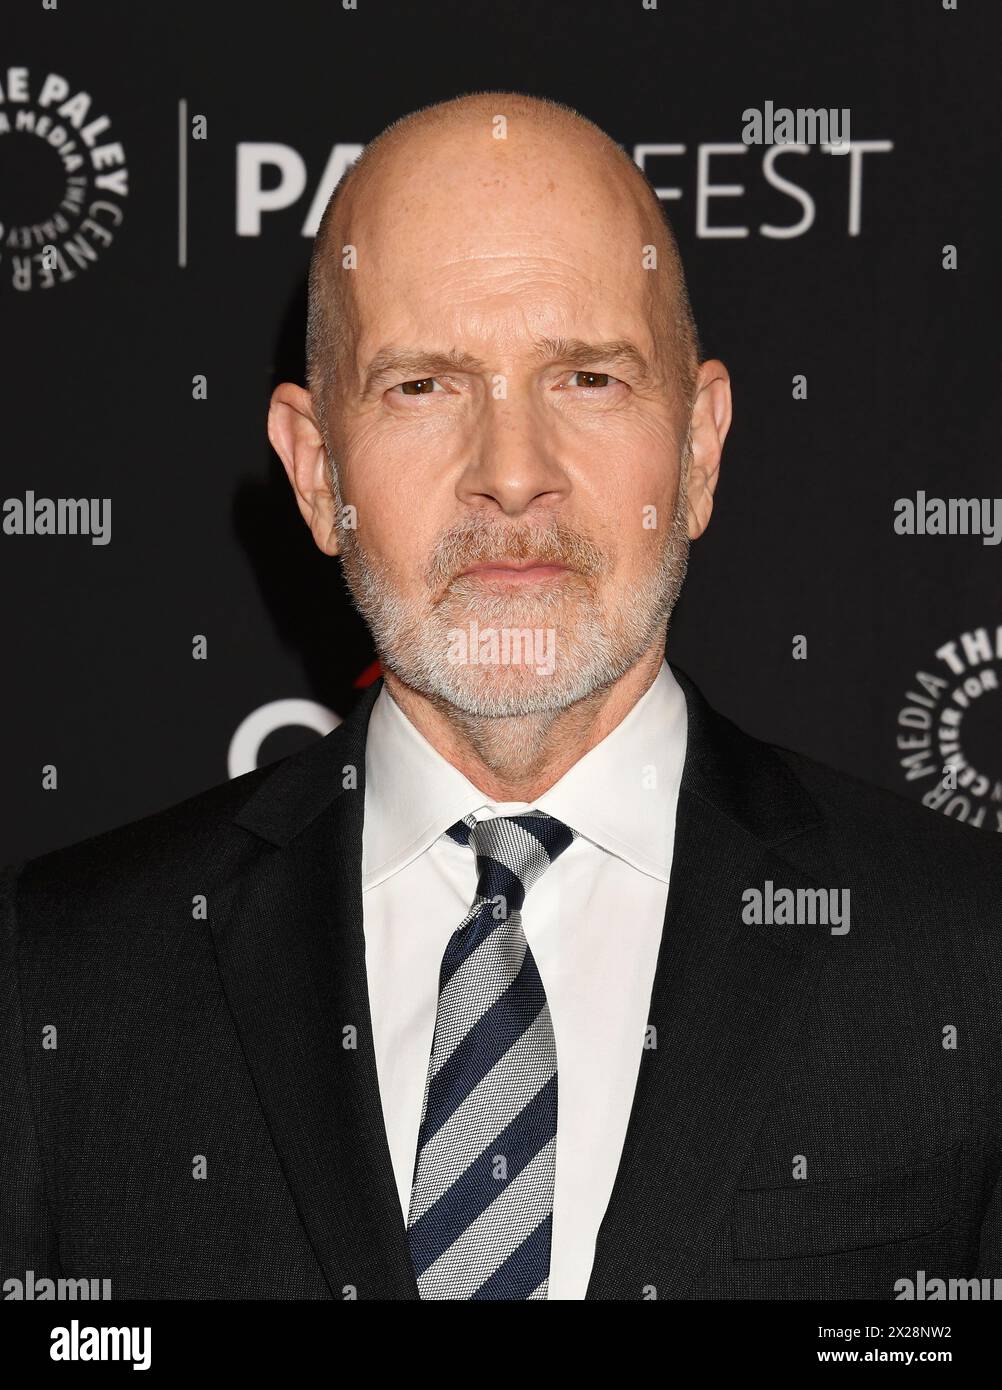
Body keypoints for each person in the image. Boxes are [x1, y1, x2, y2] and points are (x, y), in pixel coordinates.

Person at [2, 92, 1000, 1302]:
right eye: (424, 386)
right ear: (319, 473)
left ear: (698, 450)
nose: (512, 474)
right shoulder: (64, 974)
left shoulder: (964, 958)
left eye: (586, 377)